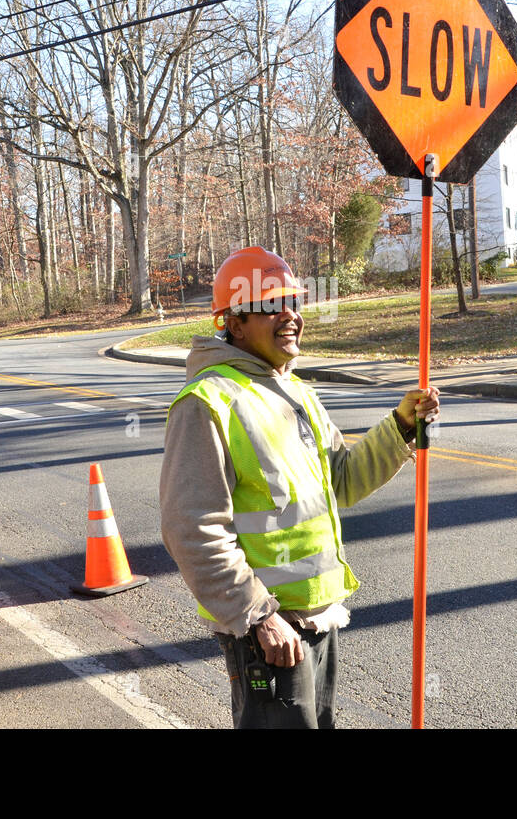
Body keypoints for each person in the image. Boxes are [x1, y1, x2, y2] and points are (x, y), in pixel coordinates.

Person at [159, 246, 439, 728]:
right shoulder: (207, 402)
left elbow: (342, 481)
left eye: (293, 303)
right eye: (271, 305)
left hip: (319, 618)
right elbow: (192, 528)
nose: (289, 316)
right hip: (267, 632)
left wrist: (400, 426)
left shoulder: (297, 392)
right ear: (235, 323)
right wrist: (258, 615)